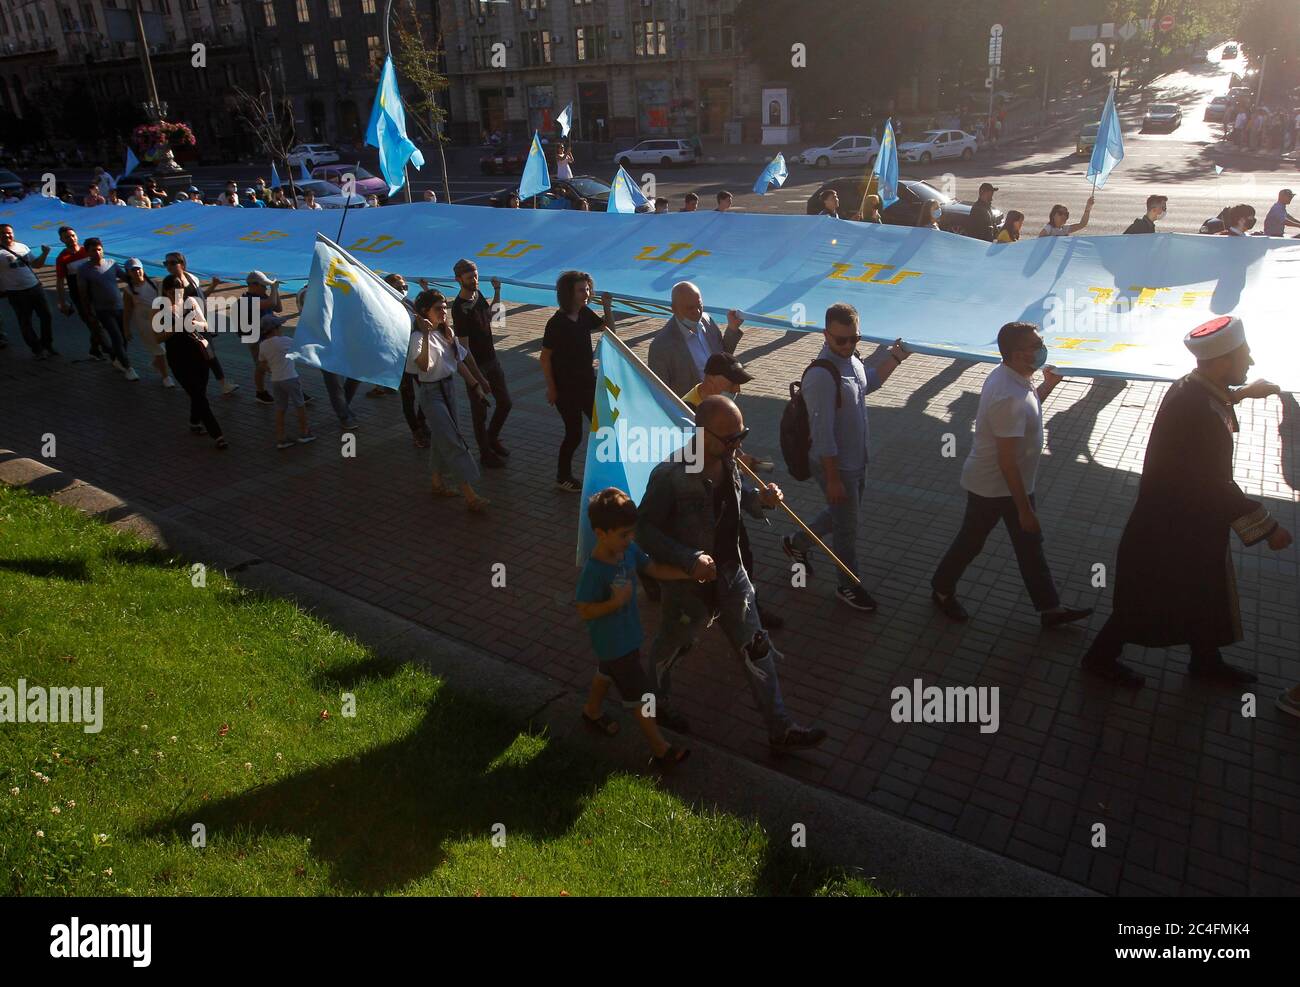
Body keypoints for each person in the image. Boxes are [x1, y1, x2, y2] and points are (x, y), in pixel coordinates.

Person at [1081, 316, 1293, 688]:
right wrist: (1267, 527)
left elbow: (1212, 403)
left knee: (1204, 592)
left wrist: (1244, 394)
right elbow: (1213, 484)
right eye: (1245, 355)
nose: (1252, 362)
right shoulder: (1197, 408)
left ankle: (1205, 661)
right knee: (1147, 598)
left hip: (1188, 525)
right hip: (1170, 531)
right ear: (1221, 362)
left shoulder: (1192, 387)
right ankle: (1099, 659)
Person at [637, 394, 827, 750]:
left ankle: (781, 730)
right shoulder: (670, 475)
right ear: (702, 433)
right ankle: (656, 704)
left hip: (732, 575)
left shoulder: (729, 459)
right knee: (674, 645)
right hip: (687, 588)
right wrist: (688, 557)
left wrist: (762, 501)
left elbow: (736, 505)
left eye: (742, 435)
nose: (738, 445)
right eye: (731, 439)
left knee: (757, 649)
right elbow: (644, 529)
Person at [930, 321, 1093, 628]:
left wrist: (1047, 386)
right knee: (973, 541)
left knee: (1029, 546)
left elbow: (1025, 416)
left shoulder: (1016, 376)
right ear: (1018, 354)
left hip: (1010, 482)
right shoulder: (1007, 394)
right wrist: (1024, 509)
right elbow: (1006, 460)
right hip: (994, 486)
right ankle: (941, 588)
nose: (1043, 349)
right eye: (1036, 345)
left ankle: (1050, 609)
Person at [781, 304, 913, 612]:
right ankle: (847, 585)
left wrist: (894, 358)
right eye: (841, 340)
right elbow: (823, 434)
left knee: (842, 516)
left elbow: (869, 382)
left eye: (855, 339)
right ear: (826, 335)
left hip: (855, 460)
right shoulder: (821, 376)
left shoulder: (850, 359)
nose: (848, 346)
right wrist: (833, 478)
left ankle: (796, 543)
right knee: (846, 528)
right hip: (836, 465)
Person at [576, 487, 691, 767]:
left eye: (631, 533)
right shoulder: (595, 570)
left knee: (606, 672)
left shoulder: (628, 552)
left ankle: (591, 711)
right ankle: (661, 749)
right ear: (601, 533)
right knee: (641, 696)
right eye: (623, 534)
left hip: (626, 637)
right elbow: (584, 609)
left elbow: (653, 569)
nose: (630, 539)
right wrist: (615, 603)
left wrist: (689, 573)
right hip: (615, 644)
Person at [407, 289, 489, 510]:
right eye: (438, 308)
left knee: (441, 438)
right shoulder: (416, 338)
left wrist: (475, 385)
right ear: (425, 311)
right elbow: (423, 366)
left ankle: (437, 482)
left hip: (449, 389)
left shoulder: (447, 333)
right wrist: (424, 335)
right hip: (430, 393)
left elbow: (459, 362)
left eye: (444, 307)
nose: (444, 312)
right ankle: (470, 495)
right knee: (452, 440)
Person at [542, 270, 616, 492]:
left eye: (587, 288)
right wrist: (552, 388)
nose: (586, 293)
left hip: (587, 383)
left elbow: (610, 332)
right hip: (566, 389)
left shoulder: (584, 313)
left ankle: (606, 470)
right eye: (581, 289)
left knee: (603, 426)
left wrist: (607, 307)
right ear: (568, 293)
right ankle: (562, 476)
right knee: (573, 433)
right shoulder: (556, 323)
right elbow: (545, 358)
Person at [451, 258, 511, 469]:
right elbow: (464, 349)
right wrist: (479, 378)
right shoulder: (459, 309)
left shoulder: (478, 295)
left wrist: (497, 291)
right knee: (480, 412)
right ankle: (485, 453)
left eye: (476, 275)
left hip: (492, 359)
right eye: (470, 277)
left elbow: (492, 316)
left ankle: (491, 438)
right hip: (477, 366)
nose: (475, 280)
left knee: (505, 403)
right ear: (459, 280)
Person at [159, 274, 227, 449]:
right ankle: (217, 434)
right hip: (178, 359)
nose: (179, 295)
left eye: (180, 290)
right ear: (166, 291)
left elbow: (205, 325)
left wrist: (194, 322)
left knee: (200, 392)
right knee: (197, 395)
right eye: (174, 291)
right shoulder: (160, 308)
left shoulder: (191, 302)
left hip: (198, 355)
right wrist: (177, 326)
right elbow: (158, 336)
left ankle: (194, 421)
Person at [647, 280, 743, 399]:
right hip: (692, 410)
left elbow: (722, 357)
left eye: (699, 305)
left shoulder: (707, 320)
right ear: (674, 309)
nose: (697, 312)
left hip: (719, 401)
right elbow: (660, 392)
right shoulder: (661, 346)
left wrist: (732, 329)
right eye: (690, 308)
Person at [164, 252, 240, 396]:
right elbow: (163, 305)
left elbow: (201, 297)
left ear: (182, 264)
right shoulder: (168, 284)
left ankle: (222, 384)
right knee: (198, 357)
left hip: (200, 323)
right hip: (183, 328)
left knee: (209, 353)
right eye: (166, 263)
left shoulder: (192, 278)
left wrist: (213, 285)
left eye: (172, 262)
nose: (168, 266)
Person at [74, 238, 137, 379]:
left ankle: (118, 360)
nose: (97, 252)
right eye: (93, 250)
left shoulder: (111, 263)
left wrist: (133, 268)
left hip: (120, 307)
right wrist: (88, 311)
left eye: (99, 249)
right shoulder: (83, 270)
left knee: (124, 337)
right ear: (87, 252)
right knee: (116, 337)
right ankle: (128, 367)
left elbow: (126, 278)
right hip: (103, 310)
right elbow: (83, 293)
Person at [257, 312, 317, 449]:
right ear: (275, 329)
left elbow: (261, 363)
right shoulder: (285, 341)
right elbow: (302, 348)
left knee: (280, 408)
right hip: (290, 377)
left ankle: (281, 437)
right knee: (300, 405)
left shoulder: (263, 345)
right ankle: (304, 432)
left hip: (275, 380)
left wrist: (270, 369)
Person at [384, 273, 430, 448]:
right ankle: (416, 431)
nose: (403, 290)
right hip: (400, 361)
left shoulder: (409, 303)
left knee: (427, 391)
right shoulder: (384, 309)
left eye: (405, 287)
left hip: (417, 356)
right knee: (408, 396)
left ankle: (421, 422)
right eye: (398, 287)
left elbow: (425, 315)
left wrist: (426, 289)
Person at [0, 224, 55, 359]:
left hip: (35, 286)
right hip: (16, 292)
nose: (7, 235)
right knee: (25, 321)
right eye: (3, 233)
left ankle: (47, 344)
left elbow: (36, 264)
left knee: (47, 316)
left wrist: (45, 253)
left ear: (13, 233)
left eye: (9, 233)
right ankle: (37, 349)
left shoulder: (22, 246)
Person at [121, 258, 175, 388]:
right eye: (133, 270)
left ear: (143, 269)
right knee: (159, 349)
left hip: (161, 319)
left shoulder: (155, 284)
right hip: (145, 323)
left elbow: (168, 299)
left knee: (164, 348)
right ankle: (165, 377)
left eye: (138, 268)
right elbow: (127, 311)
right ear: (128, 272)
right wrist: (126, 329)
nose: (137, 272)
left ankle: (157, 363)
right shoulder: (129, 291)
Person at [53, 226, 101, 360]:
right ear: (61, 240)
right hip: (80, 296)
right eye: (67, 237)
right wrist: (62, 301)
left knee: (99, 322)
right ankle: (102, 349)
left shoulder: (87, 251)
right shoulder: (62, 258)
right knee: (92, 323)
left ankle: (95, 349)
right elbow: (60, 281)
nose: (71, 239)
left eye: (73, 235)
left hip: (96, 292)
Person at [244, 271, 281, 406]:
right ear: (253, 285)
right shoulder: (247, 300)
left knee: (264, 366)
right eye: (264, 285)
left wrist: (274, 290)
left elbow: (278, 307)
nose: (266, 288)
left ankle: (261, 392)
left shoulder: (262, 296)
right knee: (262, 366)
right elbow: (271, 303)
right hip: (256, 340)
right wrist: (273, 288)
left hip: (267, 337)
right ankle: (261, 392)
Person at [683, 352, 752, 408]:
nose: (737, 390)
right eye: (732, 383)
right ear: (711, 378)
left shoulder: (721, 404)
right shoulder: (687, 411)